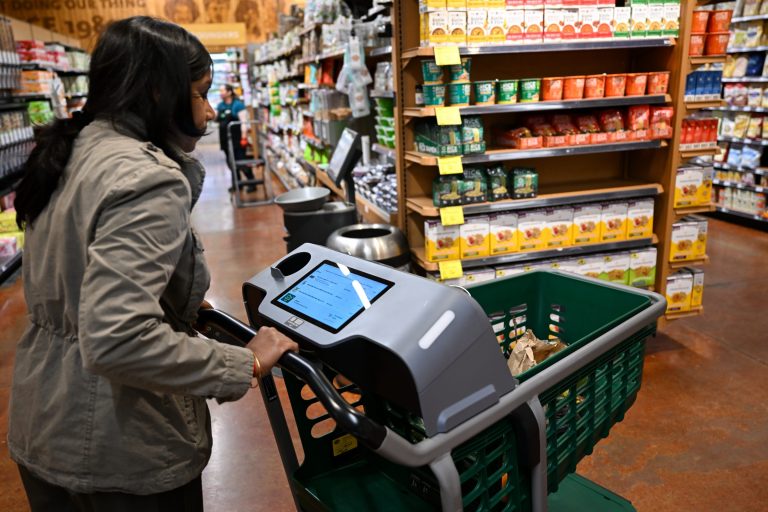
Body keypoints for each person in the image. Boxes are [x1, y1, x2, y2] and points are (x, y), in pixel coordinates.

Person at [8, 16, 298, 512]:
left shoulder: (70, 149)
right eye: (200, 94)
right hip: (120, 446)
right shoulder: (147, 179)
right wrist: (244, 361)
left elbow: (76, 272)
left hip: (43, 418)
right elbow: (118, 341)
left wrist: (168, 296)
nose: (208, 113)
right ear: (160, 94)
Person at [216, 83, 256, 192]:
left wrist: (244, 137)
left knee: (241, 160)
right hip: (225, 139)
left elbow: (244, 122)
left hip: (237, 139)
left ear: (229, 92)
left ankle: (252, 182)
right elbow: (217, 118)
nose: (221, 93)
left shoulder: (238, 105)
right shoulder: (220, 106)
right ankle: (237, 184)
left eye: (222, 90)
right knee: (230, 162)